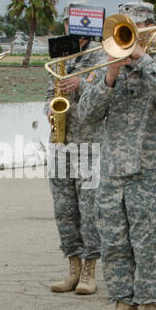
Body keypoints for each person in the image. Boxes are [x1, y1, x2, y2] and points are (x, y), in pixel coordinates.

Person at [77, 1, 156, 310]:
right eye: (123, 29)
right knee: (115, 245)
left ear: (148, 31)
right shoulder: (106, 64)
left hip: (149, 169)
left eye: (133, 29)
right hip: (113, 171)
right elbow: (87, 114)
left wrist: (142, 60)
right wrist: (110, 75)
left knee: (147, 247)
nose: (126, 37)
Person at [44, 23, 104, 295]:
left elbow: (104, 99)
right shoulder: (60, 55)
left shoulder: (102, 55)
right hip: (60, 144)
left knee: (89, 210)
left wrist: (81, 84)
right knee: (64, 210)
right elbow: (48, 94)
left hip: (90, 144)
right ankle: (73, 267)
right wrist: (49, 109)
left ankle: (90, 270)